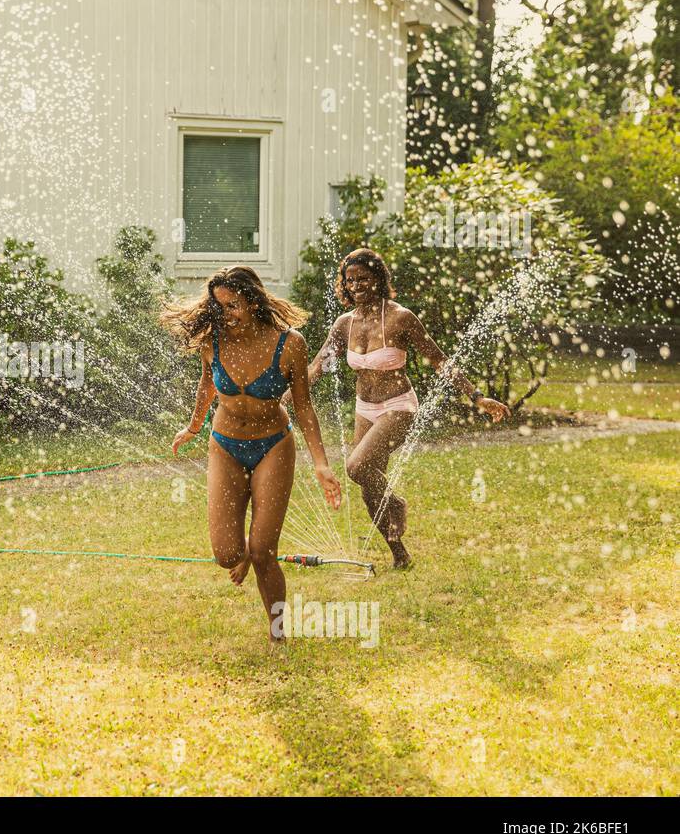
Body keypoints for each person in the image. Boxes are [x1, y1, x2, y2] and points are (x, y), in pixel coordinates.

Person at [162, 266, 342, 640]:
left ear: (254, 301)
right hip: (224, 445)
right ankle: (242, 553)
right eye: (220, 307)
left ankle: (278, 636)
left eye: (234, 305)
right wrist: (193, 427)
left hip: (273, 446)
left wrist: (321, 465)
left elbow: (304, 407)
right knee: (227, 554)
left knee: (263, 552)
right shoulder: (213, 341)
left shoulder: (290, 343)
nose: (227, 314)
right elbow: (206, 385)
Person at [300, 248, 510, 569]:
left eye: (364, 279)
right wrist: (284, 395)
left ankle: (396, 503)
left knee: (357, 467)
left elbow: (440, 361)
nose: (356, 286)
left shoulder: (400, 317)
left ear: (380, 279)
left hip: (399, 406)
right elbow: (318, 365)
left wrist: (477, 397)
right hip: (364, 409)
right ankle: (399, 554)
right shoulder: (345, 324)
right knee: (369, 487)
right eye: (350, 280)